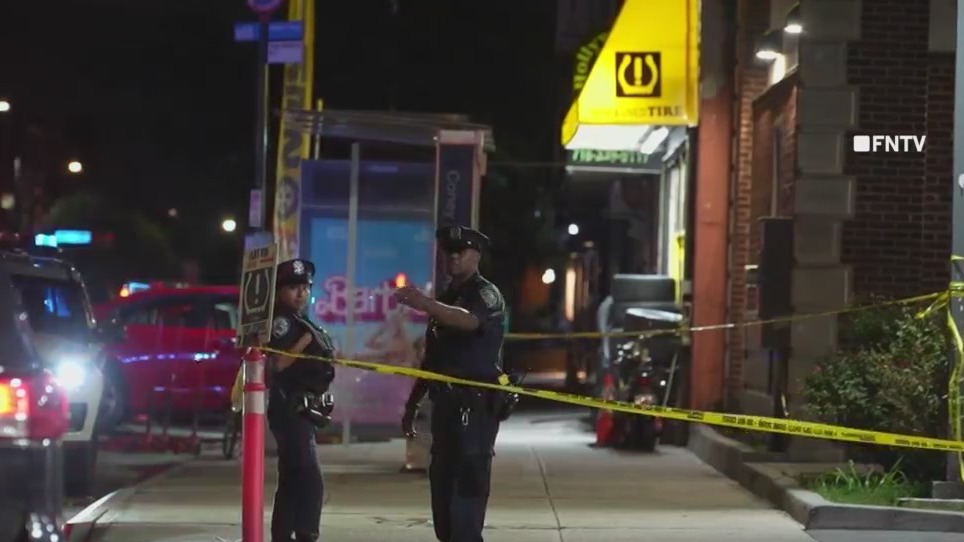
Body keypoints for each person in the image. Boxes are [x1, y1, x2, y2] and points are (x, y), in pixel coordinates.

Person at [394, 225, 518, 542]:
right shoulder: (448, 298)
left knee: (467, 494)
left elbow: (469, 320)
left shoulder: (485, 294)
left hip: (475, 407)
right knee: (443, 491)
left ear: (476, 254)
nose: (453, 257)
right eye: (449, 251)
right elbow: (432, 360)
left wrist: (426, 304)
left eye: (460, 251)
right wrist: (412, 404)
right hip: (447, 407)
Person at [265, 258, 337, 542]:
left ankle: (282, 535)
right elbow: (279, 363)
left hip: (304, 407)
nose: (300, 293)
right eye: (293, 287)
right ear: (280, 290)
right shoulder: (282, 322)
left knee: (293, 478)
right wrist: (305, 342)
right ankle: (306, 534)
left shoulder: (300, 320)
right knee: (310, 479)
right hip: (290, 406)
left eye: (305, 288)